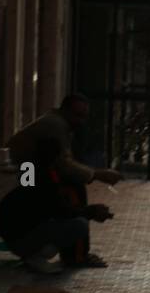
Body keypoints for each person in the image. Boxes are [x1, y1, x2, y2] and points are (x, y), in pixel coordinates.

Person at [7, 93, 121, 267]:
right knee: (75, 207)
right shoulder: (55, 127)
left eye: (84, 116)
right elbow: (64, 172)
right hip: (24, 226)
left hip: (24, 176)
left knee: (68, 198)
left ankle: (74, 255)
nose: (81, 121)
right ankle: (75, 256)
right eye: (77, 115)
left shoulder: (55, 126)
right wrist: (91, 206)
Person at [0, 139, 113, 274]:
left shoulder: (29, 167)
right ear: (55, 157)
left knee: (68, 219)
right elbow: (59, 210)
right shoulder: (45, 177)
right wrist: (90, 212)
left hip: (12, 236)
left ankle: (34, 253)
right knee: (79, 225)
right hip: (21, 237)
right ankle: (35, 255)